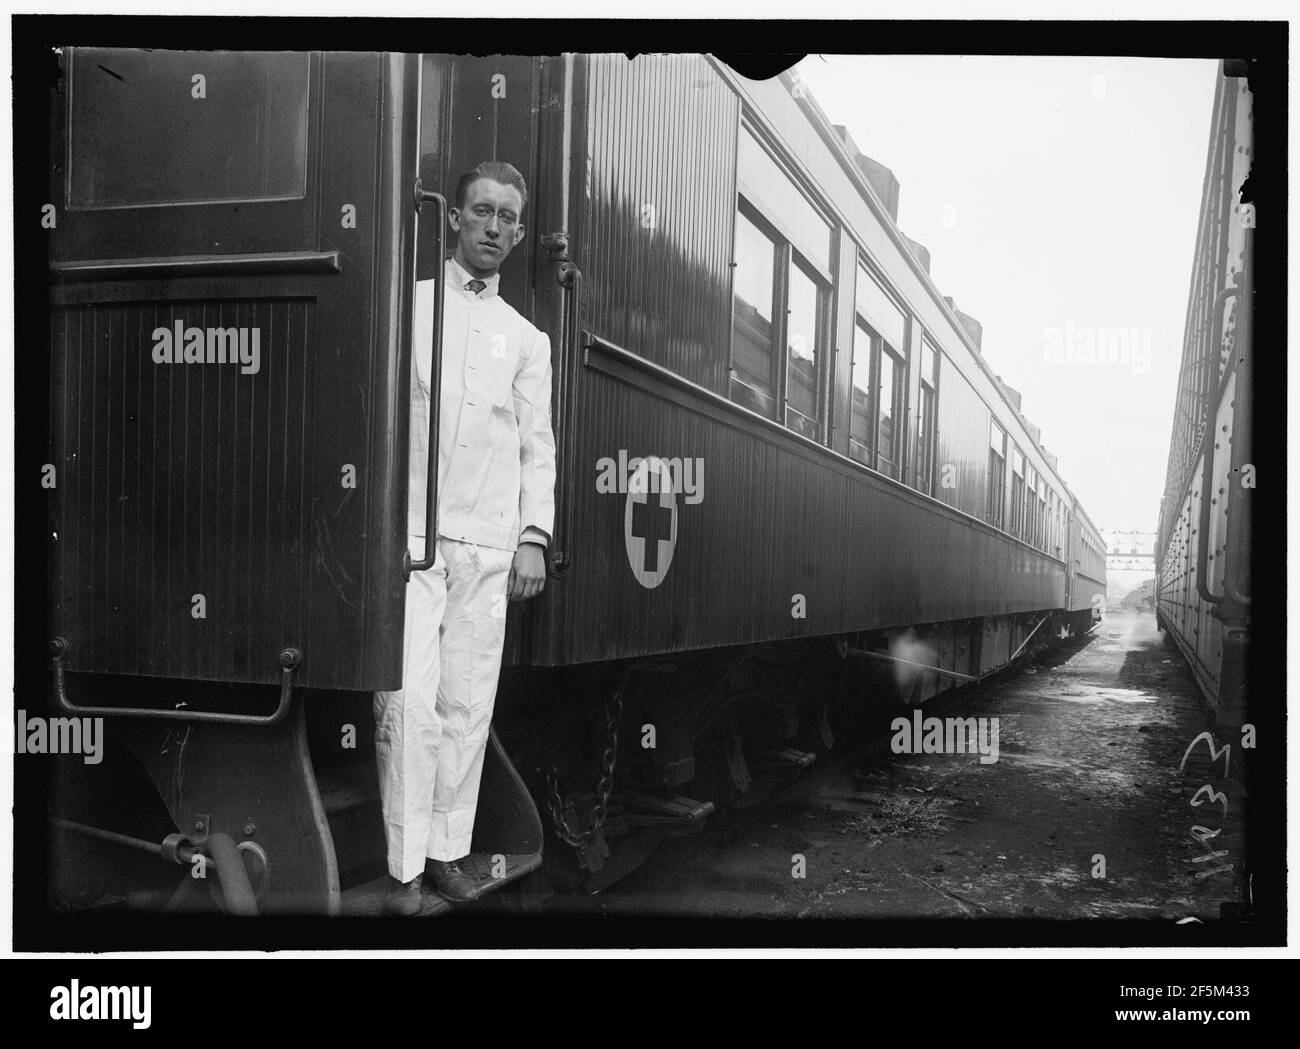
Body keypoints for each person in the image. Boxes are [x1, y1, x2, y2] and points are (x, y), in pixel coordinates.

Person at [374, 160, 555, 915]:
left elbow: (535, 444)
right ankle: (402, 865)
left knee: (465, 706)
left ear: (517, 232)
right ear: (451, 216)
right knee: (408, 702)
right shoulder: (406, 306)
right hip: (412, 543)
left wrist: (533, 537)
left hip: (487, 548)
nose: (492, 226)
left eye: (506, 216)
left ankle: (447, 853)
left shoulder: (527, 339)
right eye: (480, 210)